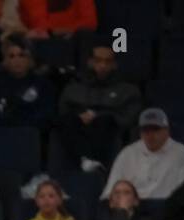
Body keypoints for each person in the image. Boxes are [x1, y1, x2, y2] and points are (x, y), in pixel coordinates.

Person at [57, 45, 141, 173]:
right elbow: (62, 111)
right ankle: (82, 161)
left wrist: (98, 116)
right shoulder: (73, 88)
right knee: (68, 121)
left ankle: (96, 164)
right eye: (98, 60)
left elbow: (129, 117)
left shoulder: (128, 90)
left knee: (104, 121)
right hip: (77, 131)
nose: (102, 65)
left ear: (114, 65)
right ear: (89, 62)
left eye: (108, 62)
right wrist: (79, 115)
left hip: (108, 135)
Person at [100, 108, 184, 201]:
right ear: (140, 133)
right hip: (134, 211)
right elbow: (109, 193)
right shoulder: (128, 153)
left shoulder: (179, 152)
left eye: (155, 129)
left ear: (167, 131)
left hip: (166, 209)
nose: (151, 135)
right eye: (146, 130)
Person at [0, 35, 57, 129]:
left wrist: (13, 118)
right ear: (6, 60)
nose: (17, 60)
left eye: (22, 55)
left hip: (29, 134)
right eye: (11, 56)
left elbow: (46, 116)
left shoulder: (42, 84)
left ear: (30, 59)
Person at [0, 0, 98, 35]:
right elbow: (27, 24)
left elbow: (90, 22)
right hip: (32, 41)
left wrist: (52, 32)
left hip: (67, 40)